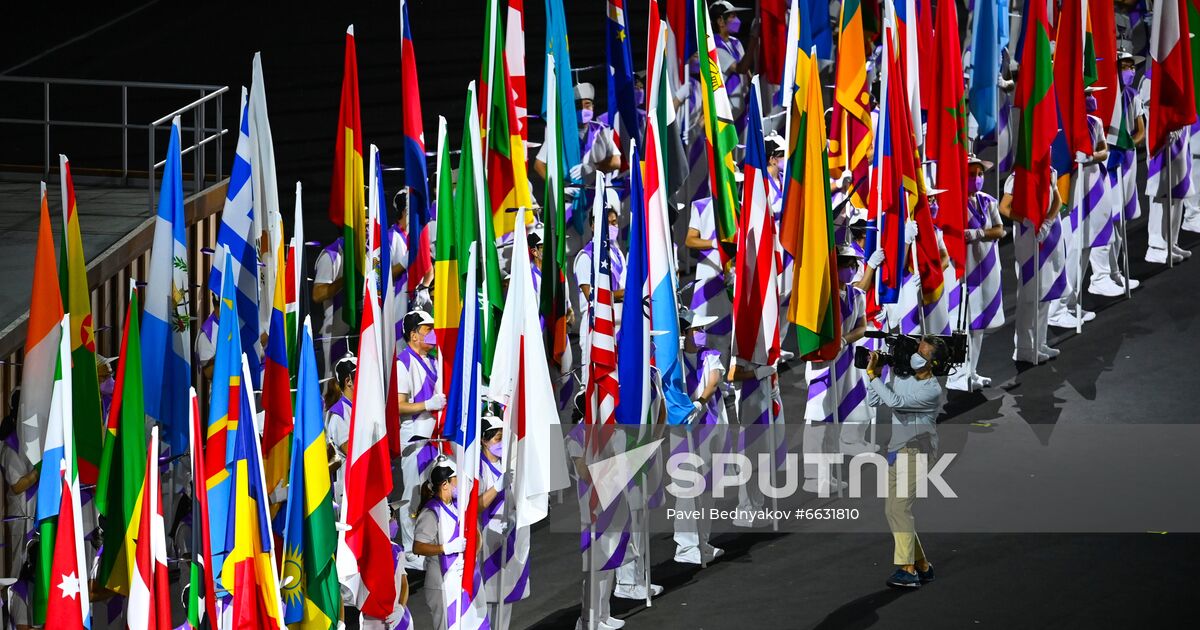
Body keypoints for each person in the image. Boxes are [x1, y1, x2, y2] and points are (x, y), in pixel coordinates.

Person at [865, 336, 948, 589]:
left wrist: (873, 377)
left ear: (932, 363)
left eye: (923, 354)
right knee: (893, 510)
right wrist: (877, 375)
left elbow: (896, 403)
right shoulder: (902, 377)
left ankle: (907, 570)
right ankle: (922, 566)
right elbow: (875, 401)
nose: (916, 355)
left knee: (900, 508)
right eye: (917, 350)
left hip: (918, 450)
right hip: (897, 449)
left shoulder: (931, 389)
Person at [803, 245, 874, 494]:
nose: (853, 270)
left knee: (835, 420)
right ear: (837, 266)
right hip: (823, 364)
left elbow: (863, 327)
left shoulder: (858, 296)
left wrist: (844, 339)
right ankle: (814, 477)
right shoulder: (822, 296)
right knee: (818, 421)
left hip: (845, 360)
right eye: (849, 265)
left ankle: (830, 475)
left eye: (855, 265)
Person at [1050, 86, 1108, 328]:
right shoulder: (1066, 127)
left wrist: (1092, 157)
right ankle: (1057, 308)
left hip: (1093, 187)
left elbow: (1104, 150)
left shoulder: (1095, 122)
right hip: (1072, 193)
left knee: (1086, 246)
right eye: (1086, 94)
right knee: (1071, 250)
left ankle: (1072, 302)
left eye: (1092, 94)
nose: (1092, 98)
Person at [948, 155, 1006, 392]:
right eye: (972, 175)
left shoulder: (988, 201)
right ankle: (957, 374)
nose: (977, 179)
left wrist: (977, 234)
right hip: (964, 270)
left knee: (979, 323)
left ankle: (971, 371)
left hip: (988, 265)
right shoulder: (954, 203)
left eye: (980, 175)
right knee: (961, 323)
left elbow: (1000, 230)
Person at [673, 310, 727, 565]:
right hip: (686, 432)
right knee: (687, 487)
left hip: (713, 427)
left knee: (708, 488)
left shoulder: (711, 357)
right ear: (684, 334)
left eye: (702, 329)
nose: (702, 334)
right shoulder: (673, 362)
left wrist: (700, 402)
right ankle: (686, 547)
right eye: (696, 330)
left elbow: (714, 382)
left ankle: (703, 541)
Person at [395, 309, 447, 571]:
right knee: (413, 495)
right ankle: (409, 549)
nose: (433, 333)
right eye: (428, 329)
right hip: (415, 438)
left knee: (432, 493)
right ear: (414, 335)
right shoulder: (403, 363)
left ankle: (426, 542)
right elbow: (397, 405)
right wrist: (427, 404)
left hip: (435, 438)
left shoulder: (435, 360)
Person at [413, 457, 488, 630]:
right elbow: (418, 546)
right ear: (445, 484)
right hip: (442, 583)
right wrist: (446, 548)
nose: (460, 484)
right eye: (457, 480)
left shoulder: (458, 505)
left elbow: (476, 536)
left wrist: (471, 557)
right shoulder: (431, 512)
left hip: (462, 576)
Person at [1000, 172, 1066, 364]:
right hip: (1027, 238)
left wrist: (1047, 222)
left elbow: (1058, 200)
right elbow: (1004, 208)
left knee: (1044, 292)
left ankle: (1040, 342)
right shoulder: (1017, 176)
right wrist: (1025, 220)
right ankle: (1024, 348)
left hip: (1049, 234)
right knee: (1029, 295)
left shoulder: (1050, 170)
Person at [1094, 50, 1145, 294]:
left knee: (1120, 217)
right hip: (1109, 161)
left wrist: (1129, 143)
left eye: (1132, 67)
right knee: (1106, 217)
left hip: (1128, 158)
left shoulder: (1134, 96)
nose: (1131, 71)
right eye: (1126, 66)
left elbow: (1140, 130)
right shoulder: (1107, 99)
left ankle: (1115, 272)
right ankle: (1101, 275)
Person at [476, 414, 527, 628]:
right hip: (487, 539)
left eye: (502, 438)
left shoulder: (510, 463)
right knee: (487, 596)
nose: (501, 443)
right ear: (484, 440)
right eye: (497, 438)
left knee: (506, 594)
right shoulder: (478, 467)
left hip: (509, 534)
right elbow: (476, 505)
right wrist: (497, 486)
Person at [533, 82, 622, 183]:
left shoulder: (601, 130)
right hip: (568, 194)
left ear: (593, 106)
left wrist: (593, 167)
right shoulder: (560, 132)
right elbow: (539, 165)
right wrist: (559, 188)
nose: (583, 109)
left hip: (596, 193)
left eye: (587, 105)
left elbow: (616, 161)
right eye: (578, 106)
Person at [685, 195, 734, 360]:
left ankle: (722, 381)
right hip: (707, 276)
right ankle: (700, 379)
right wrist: (715, 244)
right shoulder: (700, 205)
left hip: (732, 277)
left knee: (727, 335)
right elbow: (690, 240)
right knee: (700, 332)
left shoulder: (741, 206)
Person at [708, 1, 757, 127]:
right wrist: (753, 38)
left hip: (743, 108)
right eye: (732, 16)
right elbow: (741, 68)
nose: (737, 20)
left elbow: (747, 73)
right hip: (727, 113)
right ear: (720, 21)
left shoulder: (736, 42)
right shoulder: (713, 47)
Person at [313, 237, 351, 385]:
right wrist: (347, 278)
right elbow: (317, 294)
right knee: (334, 385)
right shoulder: (330, 255)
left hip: (359, 328)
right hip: (335, 332)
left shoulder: (367, 252)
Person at [325, 355, 356, 507]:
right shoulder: (338, 413)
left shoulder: (360, 407)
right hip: (349, 484)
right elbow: (349, 448)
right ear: (348, 381)